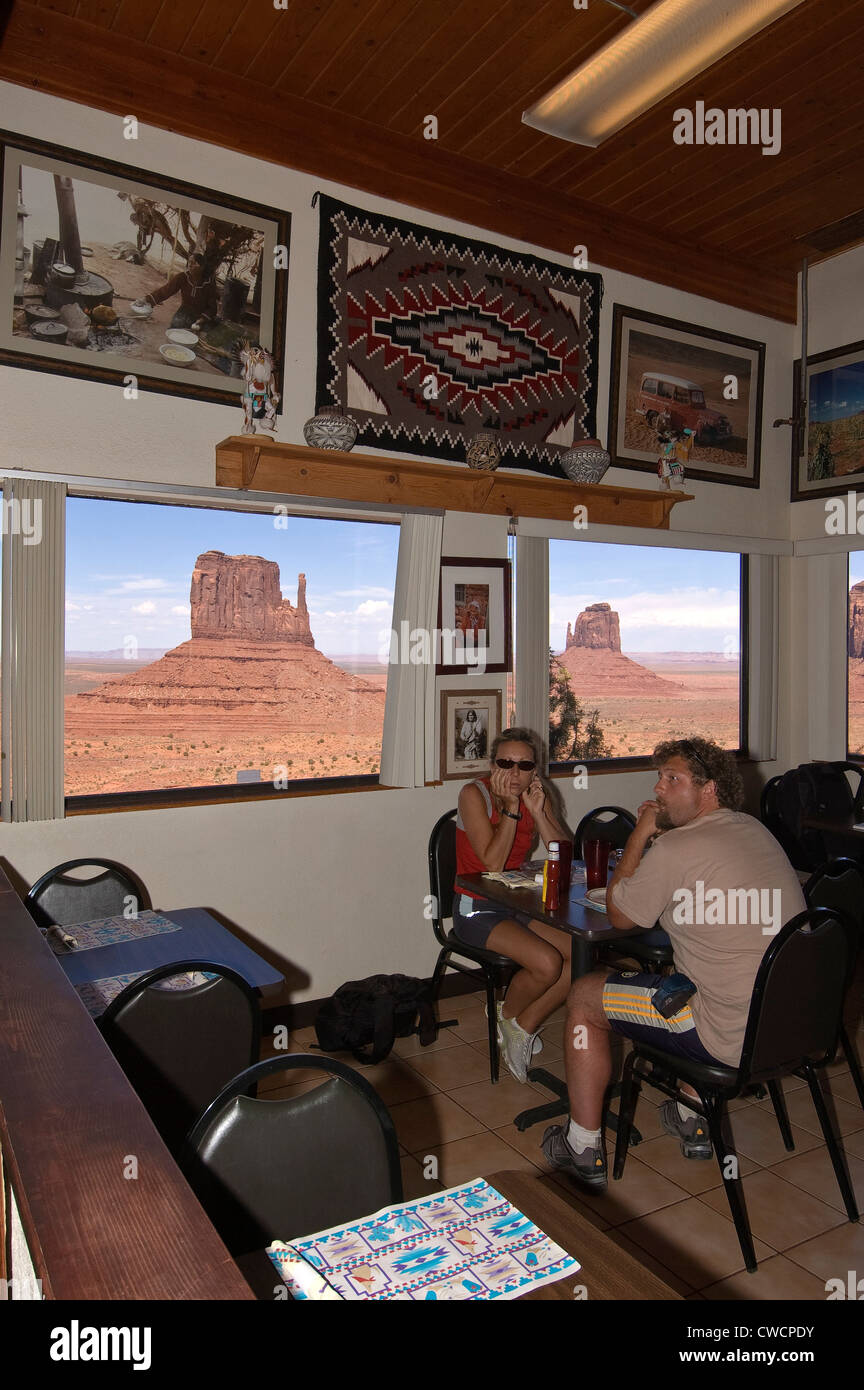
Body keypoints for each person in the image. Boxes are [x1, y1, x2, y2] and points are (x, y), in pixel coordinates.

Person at [542, 736, 806, 1190]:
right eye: (659, 778)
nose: (658, 789)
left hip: (727, 1037)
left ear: (709, 791)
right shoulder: (755, 830)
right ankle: (693, 1120)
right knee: (690, 979)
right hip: (792, 1025)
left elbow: (622, 913)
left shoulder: (675, 849)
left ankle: (582, 1145)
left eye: (672, 779)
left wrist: (641, 834)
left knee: (585, 995)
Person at [453, 726, 572, 1082]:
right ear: (493, 765)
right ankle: (513, 1020)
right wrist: (509, 809)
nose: (515, 774)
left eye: (525, 766)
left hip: (515, 901)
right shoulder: (474, 794)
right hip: (474, 906)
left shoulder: (537, 792)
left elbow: (563, 854)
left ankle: (519, 1023)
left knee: (581, 957)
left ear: (535, 769)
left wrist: (538, 812)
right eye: (506, 763)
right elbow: (491, 863)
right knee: (548, 963)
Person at [145, 252, 219, 330]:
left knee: (202, 333)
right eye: (189, 262)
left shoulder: (208, 284)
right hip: (184, 311)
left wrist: (202, 319)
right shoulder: (183, 277)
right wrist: (147, 299)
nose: (190, 265)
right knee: (174, 328)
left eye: (194, 263)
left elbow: (212, 308)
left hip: (201, 315)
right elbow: (166, 291)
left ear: (202, 267)